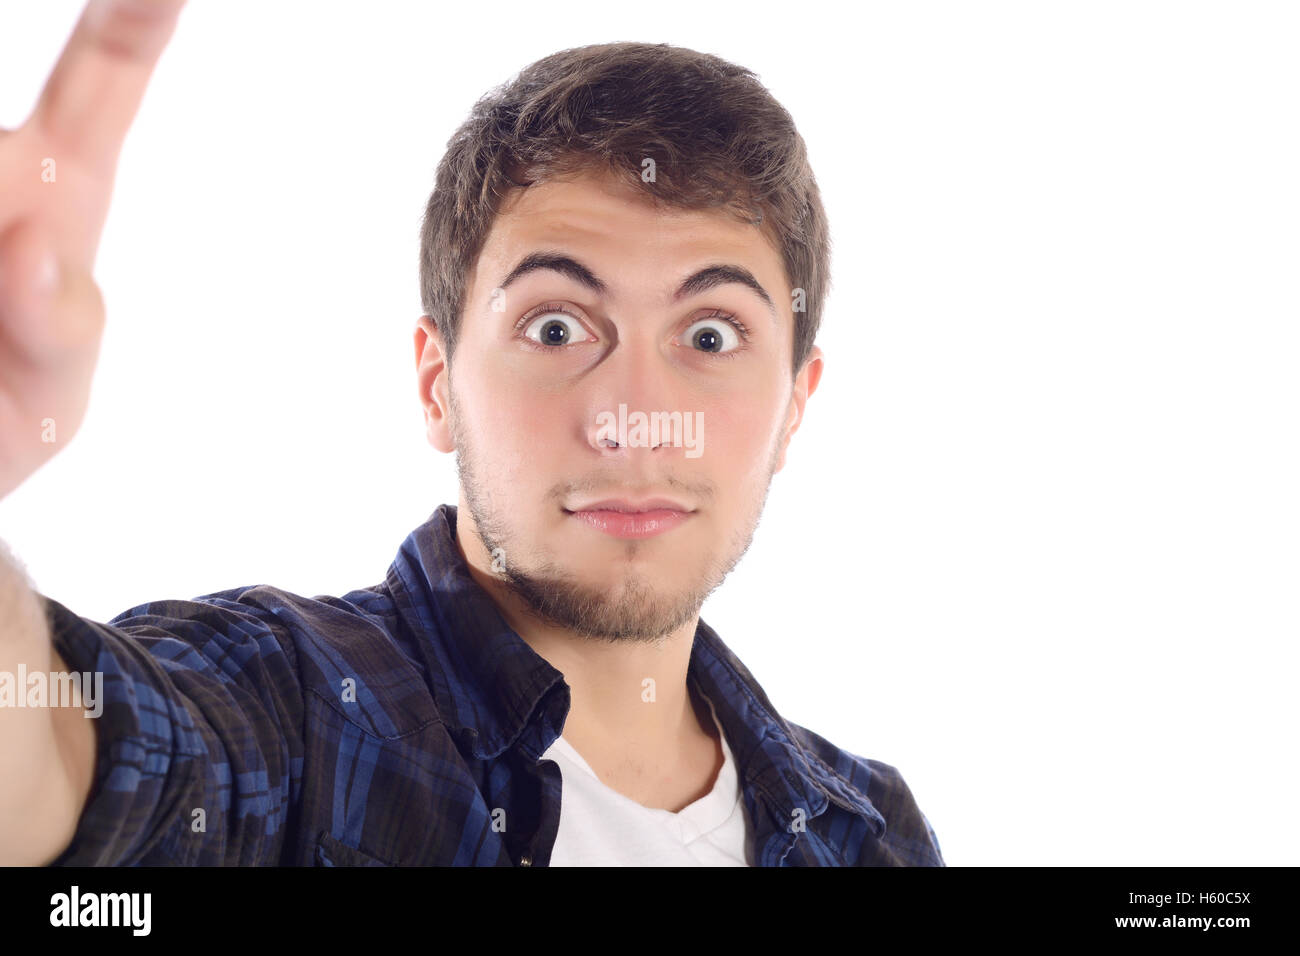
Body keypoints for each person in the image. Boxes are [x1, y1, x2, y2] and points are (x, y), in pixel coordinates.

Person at [0, 0, 944, 866]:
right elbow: (59, 770)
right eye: (557, 328)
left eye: (709, 336)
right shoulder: (293, 715)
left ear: (794, 405)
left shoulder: (872, 835)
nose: (632, 419)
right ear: (437, 383)